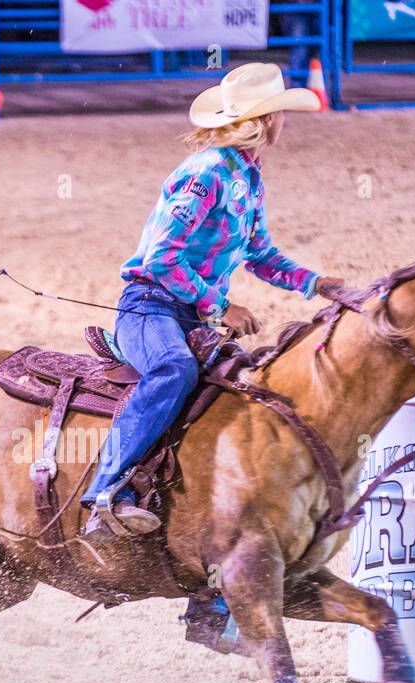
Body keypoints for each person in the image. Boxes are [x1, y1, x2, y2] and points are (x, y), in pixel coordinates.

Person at [81, 62, 343, 545]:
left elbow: (260, 254)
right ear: (266, 120)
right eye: (280, 112)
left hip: (188, 313)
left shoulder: (248, 177)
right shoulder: (205, 175)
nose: (283, 121)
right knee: (173, 369)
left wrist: (316, 284)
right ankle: (104, 492)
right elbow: (162, 259)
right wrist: (220, 307)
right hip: (149, 307)